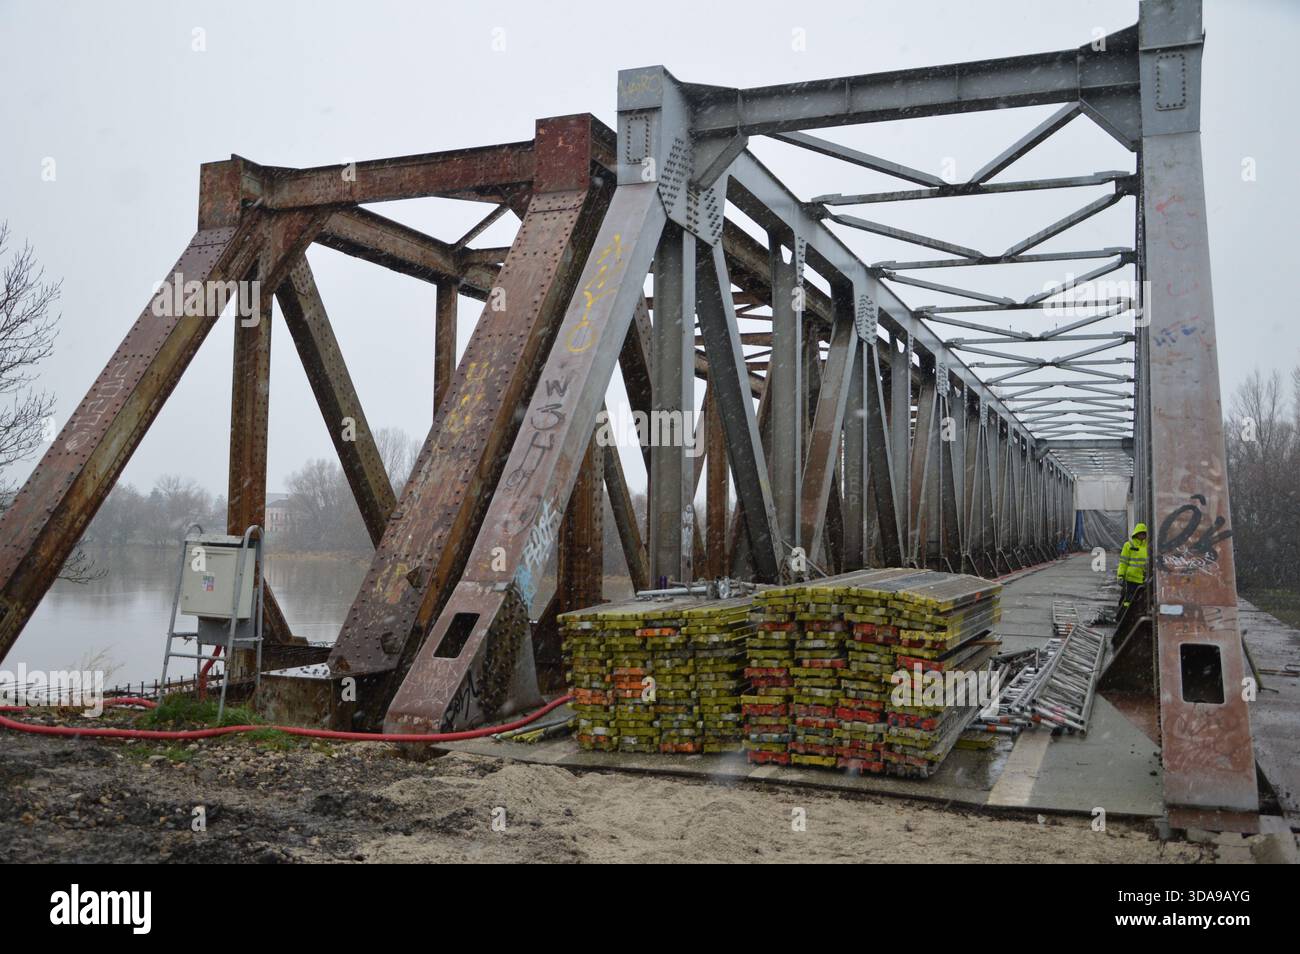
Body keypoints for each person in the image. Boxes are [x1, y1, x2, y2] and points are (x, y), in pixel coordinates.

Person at [1116, 523, 1148, 614]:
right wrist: (1120, 575)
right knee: (1128, 600)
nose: (1142, 536)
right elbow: (1123, 562)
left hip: (1143, 580)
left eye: (1144, 534)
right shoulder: (1128, 545)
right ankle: (1124, 616)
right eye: (1140, 533)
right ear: (1136, 533)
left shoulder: (1148, 546)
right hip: (1130, 579)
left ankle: (1135, 615)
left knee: (1140, 600)